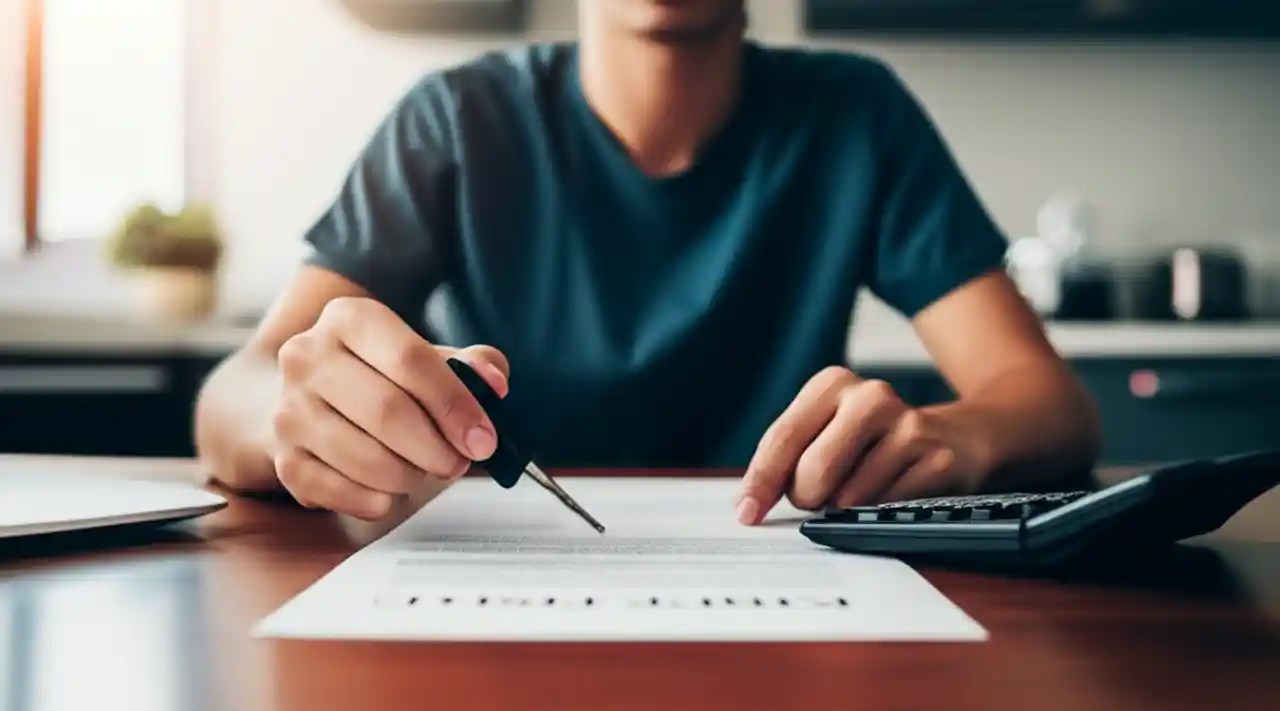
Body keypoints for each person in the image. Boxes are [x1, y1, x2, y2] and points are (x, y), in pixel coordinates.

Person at [194, 0, 1100, 526]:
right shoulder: (455, 121)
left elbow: (1049, 407)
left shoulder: (856, 116)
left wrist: (956, 438)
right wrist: (297, 415)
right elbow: (237, 393)